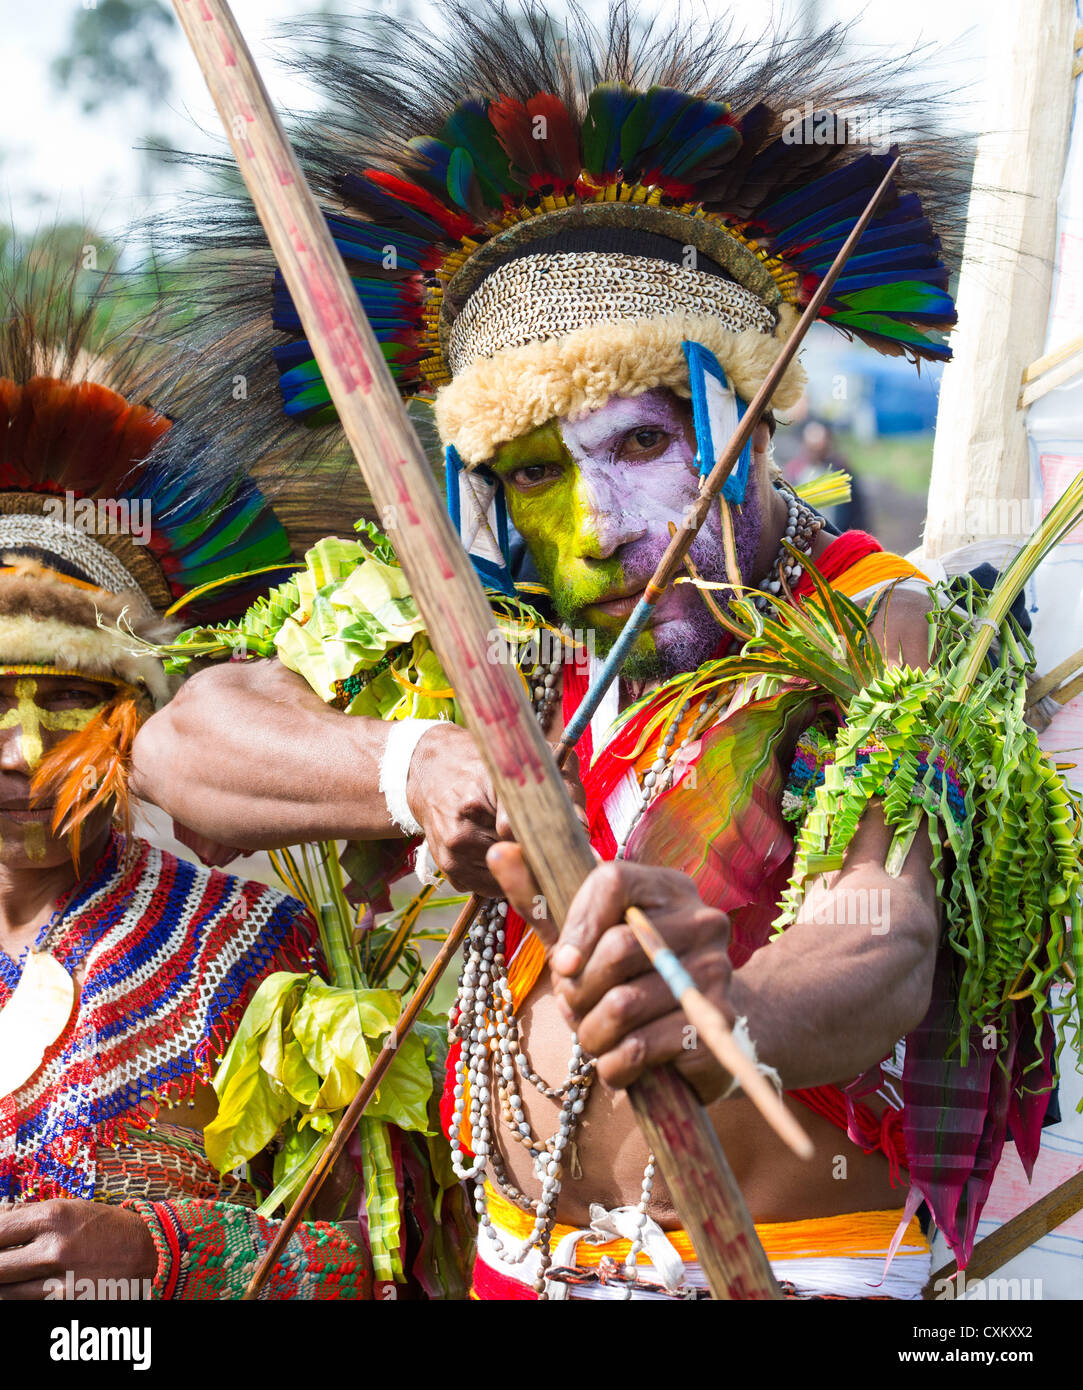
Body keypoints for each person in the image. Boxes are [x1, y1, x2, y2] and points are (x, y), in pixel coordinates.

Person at [131, 3, 1037, 1300]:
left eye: (635, 447)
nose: (597, 527)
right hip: (513, 1265)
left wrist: (731, 1013)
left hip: (784, 1267)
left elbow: (879, 933)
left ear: (750, 428)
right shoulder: (496, 638)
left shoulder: (880, 626)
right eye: (537, 478)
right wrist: (415, 766)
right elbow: (181, 743)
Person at [0, 260, 366, 1300]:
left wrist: (162, 1254)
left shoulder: (251, 951)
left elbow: (392, 1254)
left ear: (134, 717)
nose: (27, 754)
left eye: (70, 702)